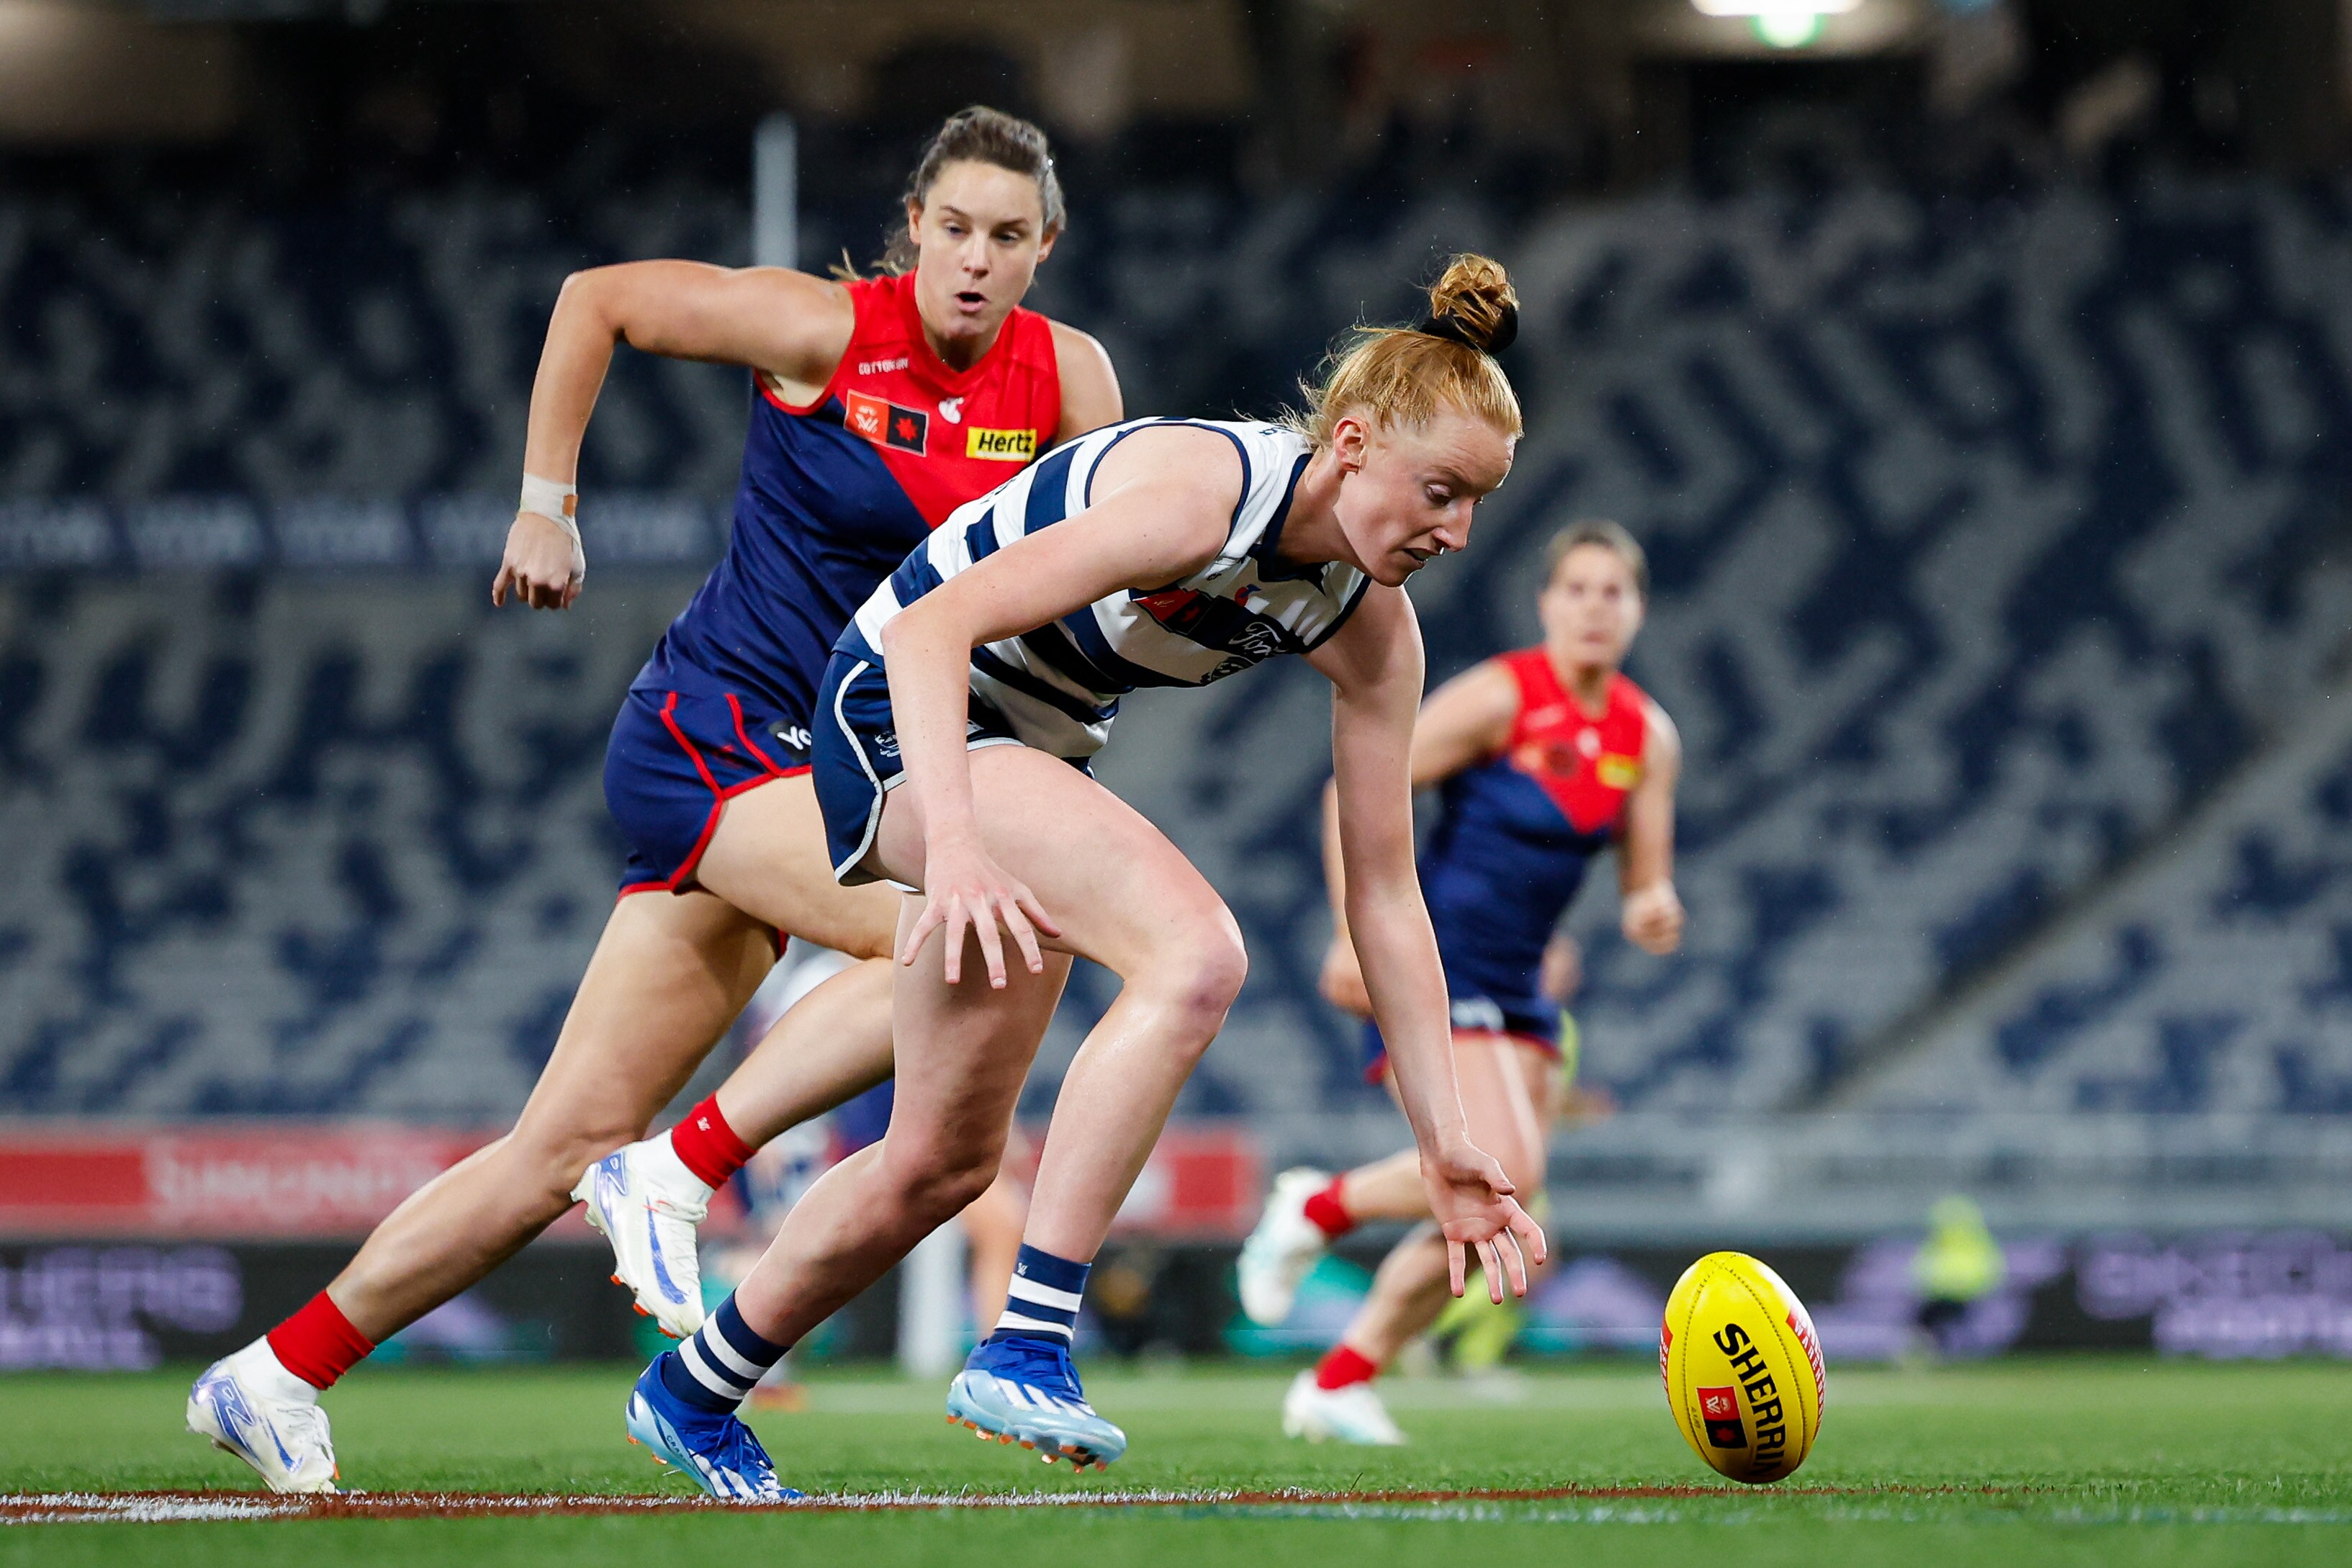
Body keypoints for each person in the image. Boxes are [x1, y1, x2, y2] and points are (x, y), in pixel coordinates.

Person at [186, 107, 1122, 1494]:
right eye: (953, 228)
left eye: (1007, 235)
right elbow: (597, 300)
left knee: (556, 1147)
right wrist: (546, 503)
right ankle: (679, 1167)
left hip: (838, 769)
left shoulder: (1068, 378)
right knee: (955, 931)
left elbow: (1105, 564)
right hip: (717, 734)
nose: (975, 258)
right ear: (913, 229)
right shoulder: (825, 330)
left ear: (1044, 248)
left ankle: (274, 1371)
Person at [615, 255, 1551, 1500]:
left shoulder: (1370, 628)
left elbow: (1383, 894)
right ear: (1350, 443)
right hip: (898, 712)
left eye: (1476, 501)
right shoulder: (1200, 499)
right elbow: (931, 630)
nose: (1456, 531)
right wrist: (953, 846)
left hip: (1017, 755)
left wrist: (1442, 1142)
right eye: (1441, 491)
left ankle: (692, 1392)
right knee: (1195, 952)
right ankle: (1026, 1340)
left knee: (940, 1163)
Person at [1235, 520, 1683, 1445]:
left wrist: (1653, 907)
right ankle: (1314, 1208)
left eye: (1614, 593)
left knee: (1499, 1206)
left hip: (1523, 984)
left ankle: (1340, 1378)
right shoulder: (1501, 697)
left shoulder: (1647, 737)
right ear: (1547, 602)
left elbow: (1646, 880)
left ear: (1640, 610)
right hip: (1438, 962)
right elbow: (1354, 789)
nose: (1595, 609)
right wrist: (1354, 933)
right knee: (1506, 1174)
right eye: (1577, 589)